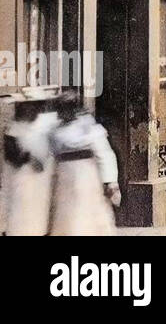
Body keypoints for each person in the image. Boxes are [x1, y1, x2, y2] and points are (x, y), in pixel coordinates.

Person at [49, 94, 119, 235]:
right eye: (61, 109)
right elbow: (52, 155)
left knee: (86, 213)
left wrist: (110, 181)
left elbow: (105, 154)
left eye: (67, 108)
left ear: (74, 108)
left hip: (86, 176)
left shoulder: (87, 127)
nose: (64, 112)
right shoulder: (55, 131)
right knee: (67, 215)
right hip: (65, 179)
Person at [1, 89, 60, 235]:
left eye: (36, 107)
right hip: (22, 178)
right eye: (29, 107)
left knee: (40, 210)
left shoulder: (44, 126)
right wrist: (28, 158)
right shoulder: (13, 129)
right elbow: (12, 157)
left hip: (41, 179)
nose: (33, 111)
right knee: (23, 210)